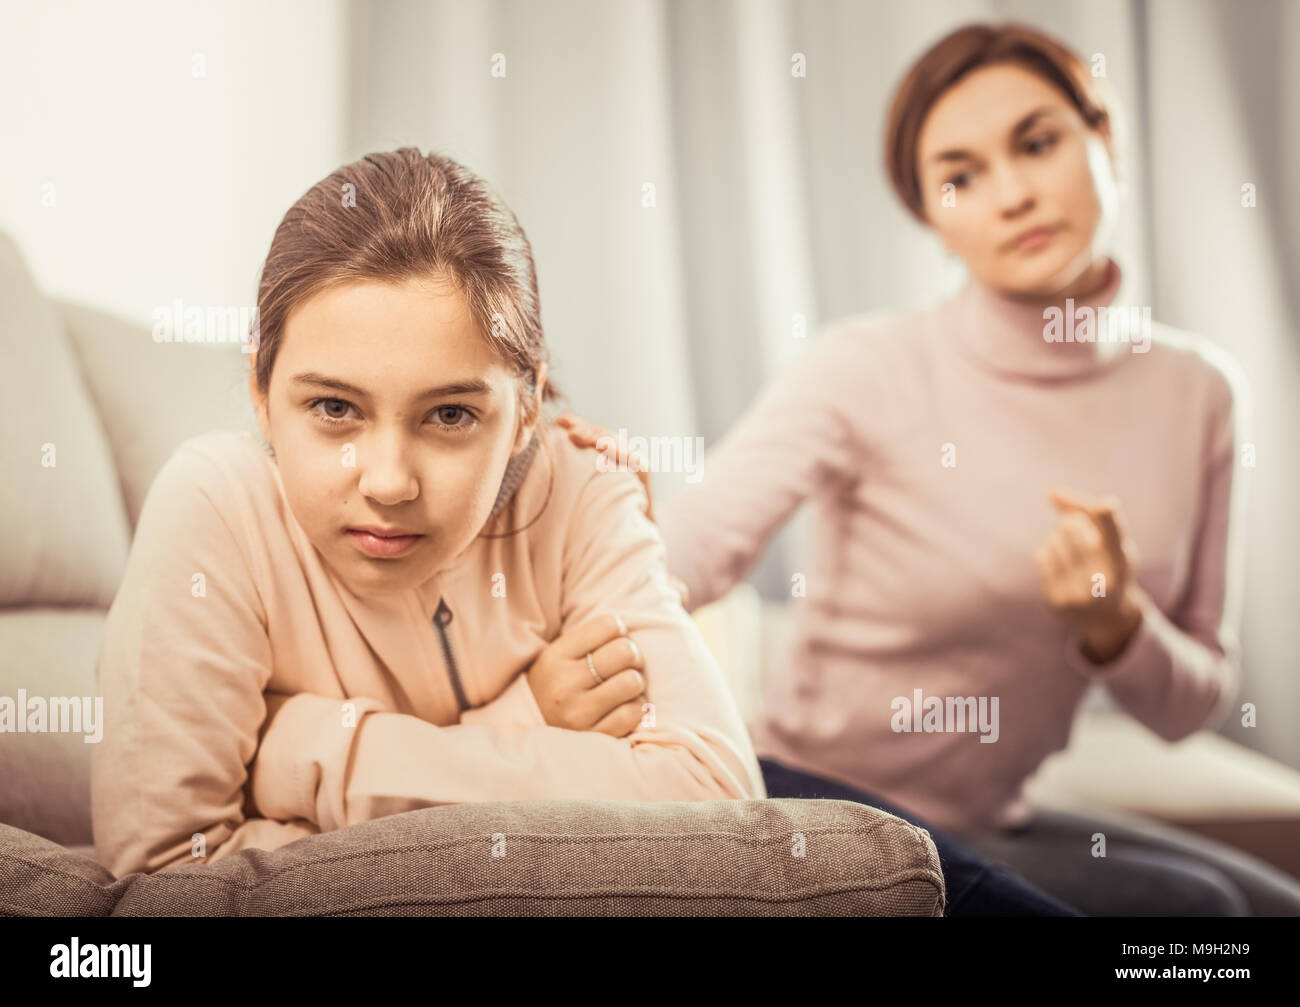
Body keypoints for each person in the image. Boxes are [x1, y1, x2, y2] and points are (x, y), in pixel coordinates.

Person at [559, 22, 1300, 915]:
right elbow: (692, 548)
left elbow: (1192, 704)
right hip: (813, 804)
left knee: (1263, 907)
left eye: (1038, 142)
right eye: (961, 176)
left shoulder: (1200, 392)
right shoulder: (865, 366)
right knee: (1201, 918)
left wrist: (1117, 622)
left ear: (1105, 140)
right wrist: (593, 513)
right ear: (931, 218)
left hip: (996, 818)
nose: (1014, 193)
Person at [90, 148, 765, 879]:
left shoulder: (581, 488)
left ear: (526, 407)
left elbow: (718, 806)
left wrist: (301, 755)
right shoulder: (215, 506)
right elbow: (163, 874)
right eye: (334, 408)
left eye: (449, 413)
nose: (388, 483)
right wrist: (522, 721)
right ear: (260, 387)